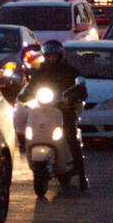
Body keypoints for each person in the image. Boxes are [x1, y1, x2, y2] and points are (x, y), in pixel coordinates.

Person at [21, 39, 89, 190]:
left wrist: (73, 96)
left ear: (60, 56)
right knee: (32, 131)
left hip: (65, 110)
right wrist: (24, 95)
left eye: (54, 56)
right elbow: (30, 87)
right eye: (49, 56)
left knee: (70, 136)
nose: (52, 58)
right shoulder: (39, 73)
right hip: (43, 110)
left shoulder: (70, 71)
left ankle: (82, 175)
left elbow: (82, 91)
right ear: (45, 56)